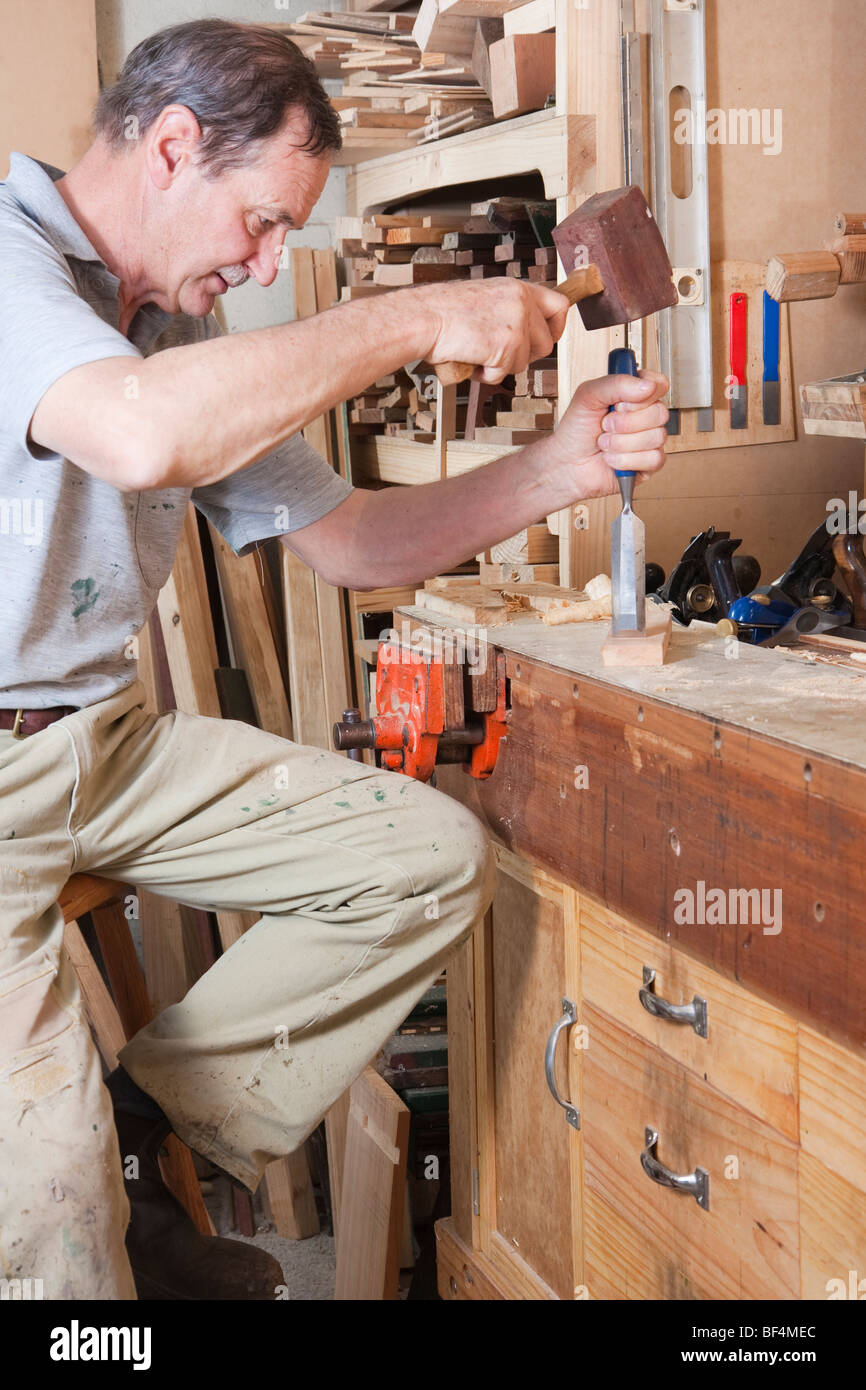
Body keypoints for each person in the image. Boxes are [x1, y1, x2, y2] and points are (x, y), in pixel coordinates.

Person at [0, 19, 669, 1300]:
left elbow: (356, 544)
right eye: (258, 225)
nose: (260, 269)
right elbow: (142, 436)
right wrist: (418, 316)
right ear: (173, 147)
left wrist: (561, 467)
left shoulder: (174, 330)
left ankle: (142, 1142)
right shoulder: (11, 266)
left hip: (105, 740)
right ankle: (88, 1208)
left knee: (423, 862)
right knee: (55, 1247)